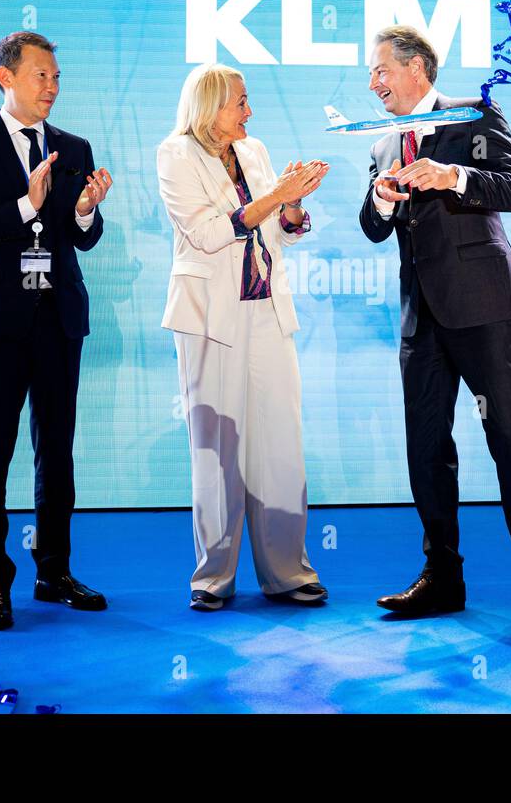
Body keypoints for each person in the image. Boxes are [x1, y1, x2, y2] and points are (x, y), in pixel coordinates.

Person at [359, 25, 511, 650]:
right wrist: (382, 197)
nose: (373, 82)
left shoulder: (473, 114)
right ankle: (442, 579)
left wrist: (451, 176)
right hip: (418, 317)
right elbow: (373, 227)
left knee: (510, 441)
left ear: (418, 69)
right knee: (426, 447)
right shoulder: (383, 143)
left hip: (481, 305)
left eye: (381, 71)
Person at [0, 32, 112, 629]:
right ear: (5, 77)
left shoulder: (74, 146)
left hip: (59, 317)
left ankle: (54, 570)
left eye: (57, 77)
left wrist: (86, 208)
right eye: (41, 75)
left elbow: (84, 237)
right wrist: (26, 203)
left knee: (55, 450)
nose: (52, 87)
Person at [157, 63, 329, 611]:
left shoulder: (253, 151)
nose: (249, 112)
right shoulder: (175, 154)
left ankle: (287, 571)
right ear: (210, 106)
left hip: (266, 309)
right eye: (240, 102)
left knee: (281, 440)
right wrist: (274, 195)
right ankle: (213, 576)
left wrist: (293, 204)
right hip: (211, 317)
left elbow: (279, 230)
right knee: (217, 446)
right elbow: (210, 233)